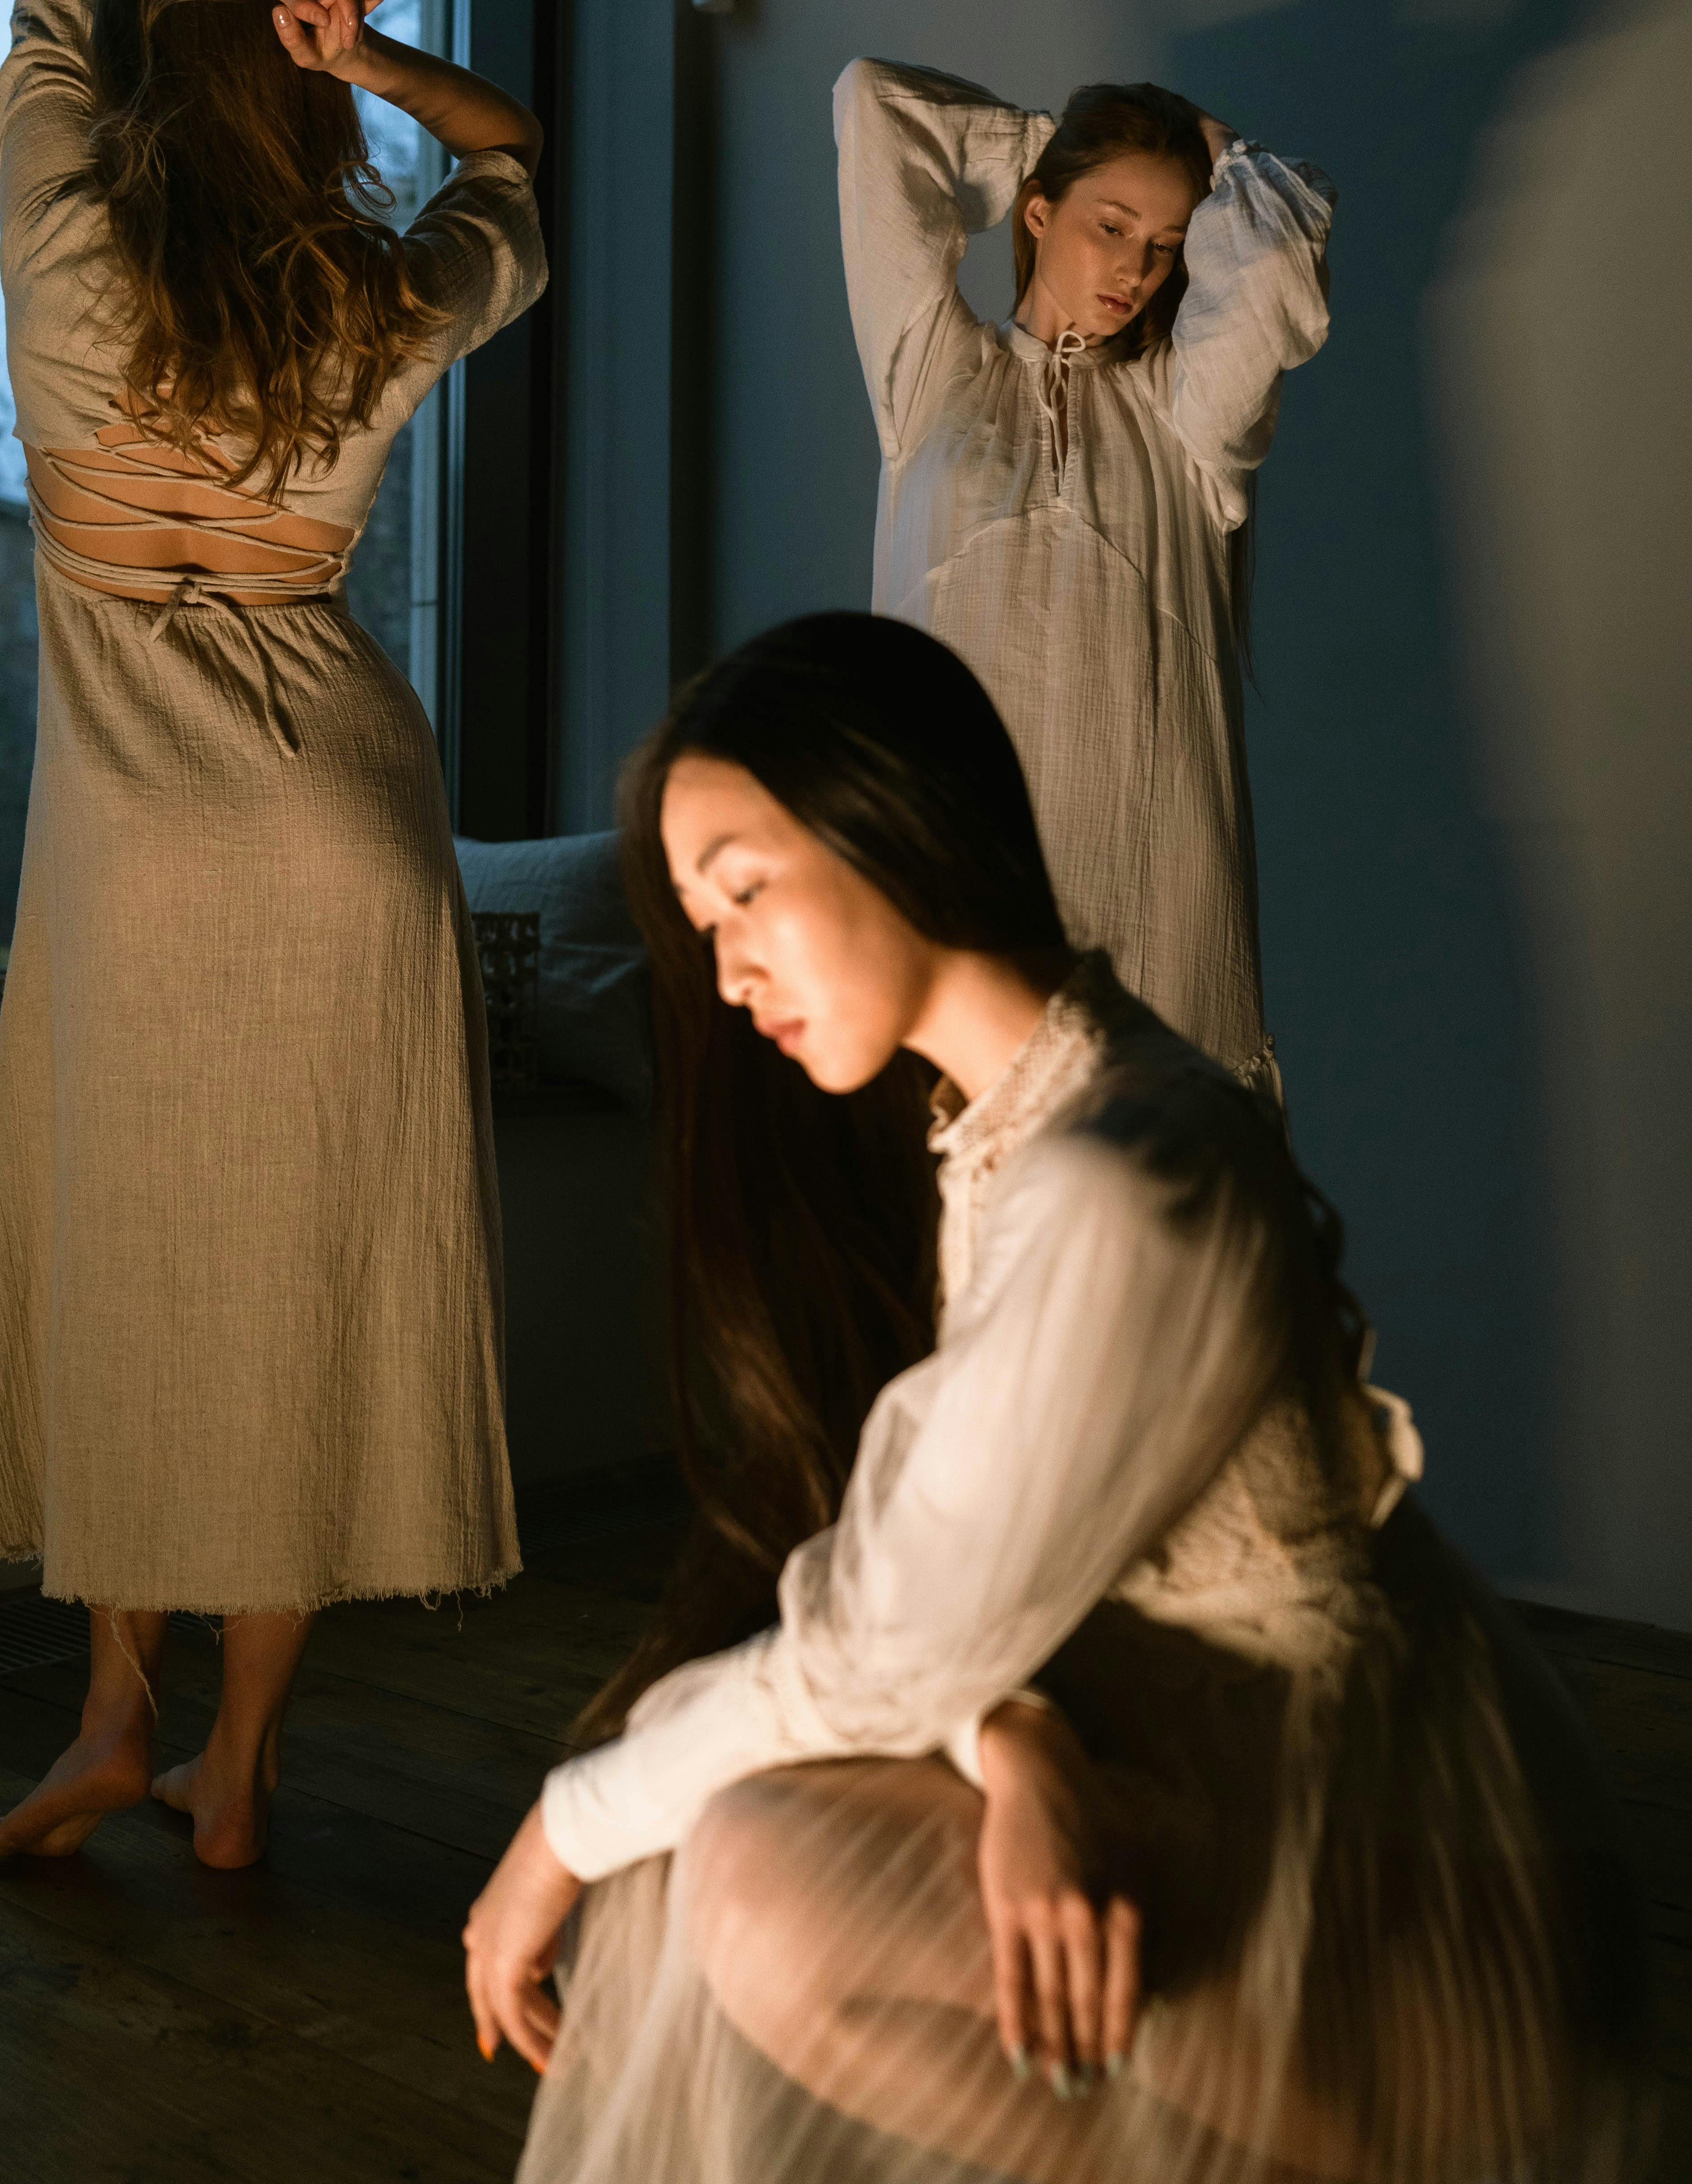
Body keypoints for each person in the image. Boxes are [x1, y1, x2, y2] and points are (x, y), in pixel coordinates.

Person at [463, 613, 1650, 2184]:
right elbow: (968, 1591)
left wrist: (559, 1831)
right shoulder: (1023, 1132)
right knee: (746, 1863)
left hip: (1379, 1867)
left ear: (895, 822)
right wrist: (1014, 1737)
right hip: (1217, 1773)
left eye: (746, 893)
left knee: (746, 1872)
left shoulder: (1122, 1176)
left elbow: (883, 1645)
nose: (729, 973)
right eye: (700, 927)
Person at [0, 0, 545, 1872]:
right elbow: (513, 152)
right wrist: (363, 48)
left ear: (126, 96)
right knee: (305, 1296)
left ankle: (120, 1724)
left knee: (134, 1275)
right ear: (296, 106)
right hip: (348, 833)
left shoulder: (62, 253)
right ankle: (243, 1774)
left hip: (139, 856)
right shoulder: (368, 302)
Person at [833, 59, 1334, 1092]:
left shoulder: (1188, 415)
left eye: (1165, 245)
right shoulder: (933, 374)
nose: (1135, 269)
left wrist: (1215, 154)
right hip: (961, 870)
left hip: (1152, 897)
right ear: (1036, 213)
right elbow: (873, 104)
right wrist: (1049, 143)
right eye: (1109, 225)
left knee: (1150, 1208)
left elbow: (1280, 245)